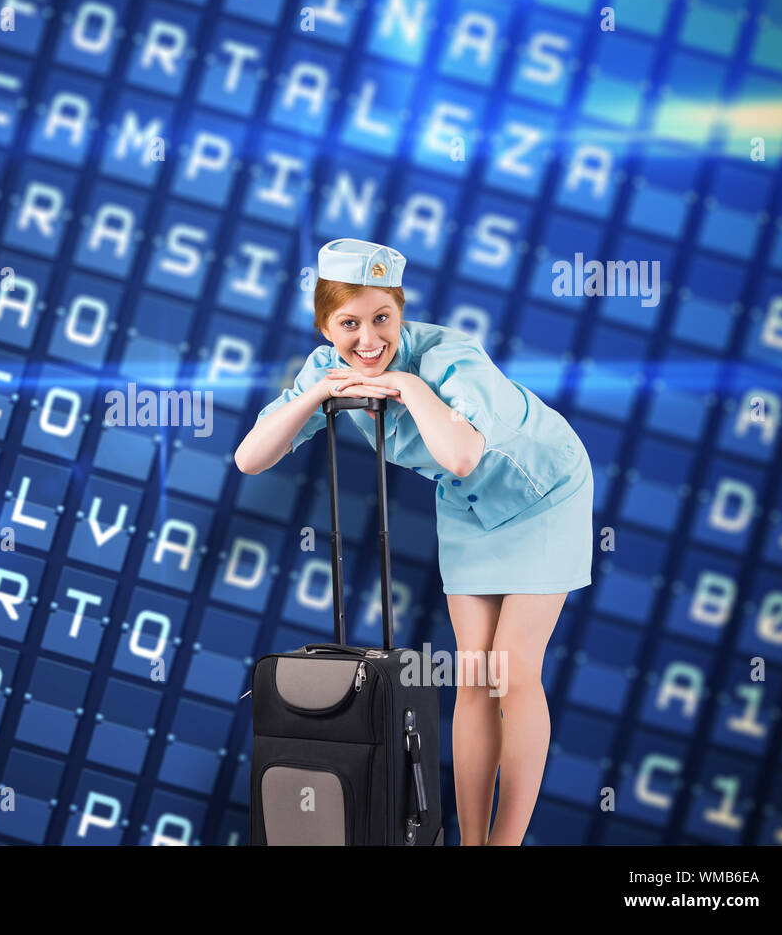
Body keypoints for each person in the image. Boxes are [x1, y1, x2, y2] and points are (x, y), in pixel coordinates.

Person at [234, 238, 594, 846]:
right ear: (325, 326)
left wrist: (407, 385)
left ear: (400, 313)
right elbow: (250, 457)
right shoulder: (328, 368)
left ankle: (505, 844)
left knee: (515, 671)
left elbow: (459, 455)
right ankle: (469, 841)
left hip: (544, 493)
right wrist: (319, 393)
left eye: (383, 318)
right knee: (477, 673)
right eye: (349, 324)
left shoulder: (451, 357)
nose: (368, 339)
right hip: (469, 510)